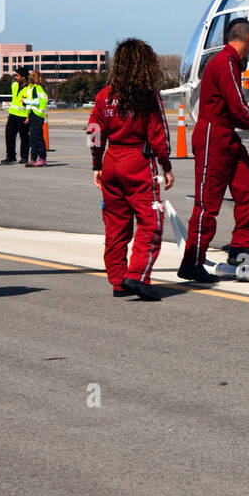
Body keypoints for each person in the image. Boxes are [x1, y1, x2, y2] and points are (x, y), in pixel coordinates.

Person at [178, 18, 249, 282]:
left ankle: (240, 249)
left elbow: (233, 111)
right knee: (207, 206)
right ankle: (191, 263)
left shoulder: (230, 64)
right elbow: (237, 106)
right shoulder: (225, 64)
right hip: (213, 139)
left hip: (227, 138)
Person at [87, 39, 175, 300]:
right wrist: (166, 166)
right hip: (138, 163)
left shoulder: (105, 95)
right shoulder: (148, 96)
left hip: (111, 162)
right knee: (151, 222)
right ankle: (137, 276)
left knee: (116, 226)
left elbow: (93, 131)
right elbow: (159, 134)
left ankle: (117, 280)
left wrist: (97, 164)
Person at [2, 66, 31, 164]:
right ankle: (10, 156)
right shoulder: (14, 85)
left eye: (17, 76)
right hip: (12, 115)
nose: (16, 77)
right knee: (9, 136)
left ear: (23, 77)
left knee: (24, 138)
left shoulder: (30, 88)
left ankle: (24, 157)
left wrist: (28, 116)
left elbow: (30, 104)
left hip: (23, 116)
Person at [22, 69, 48, 167]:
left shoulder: (35, 88)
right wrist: (28, 115)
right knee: (33, 138)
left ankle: (42, 158)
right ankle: (33, 159)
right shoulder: (34, 88)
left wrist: (26, 101)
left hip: (37, 115)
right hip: (35, 115)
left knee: (37, 138)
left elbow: (36, 102)